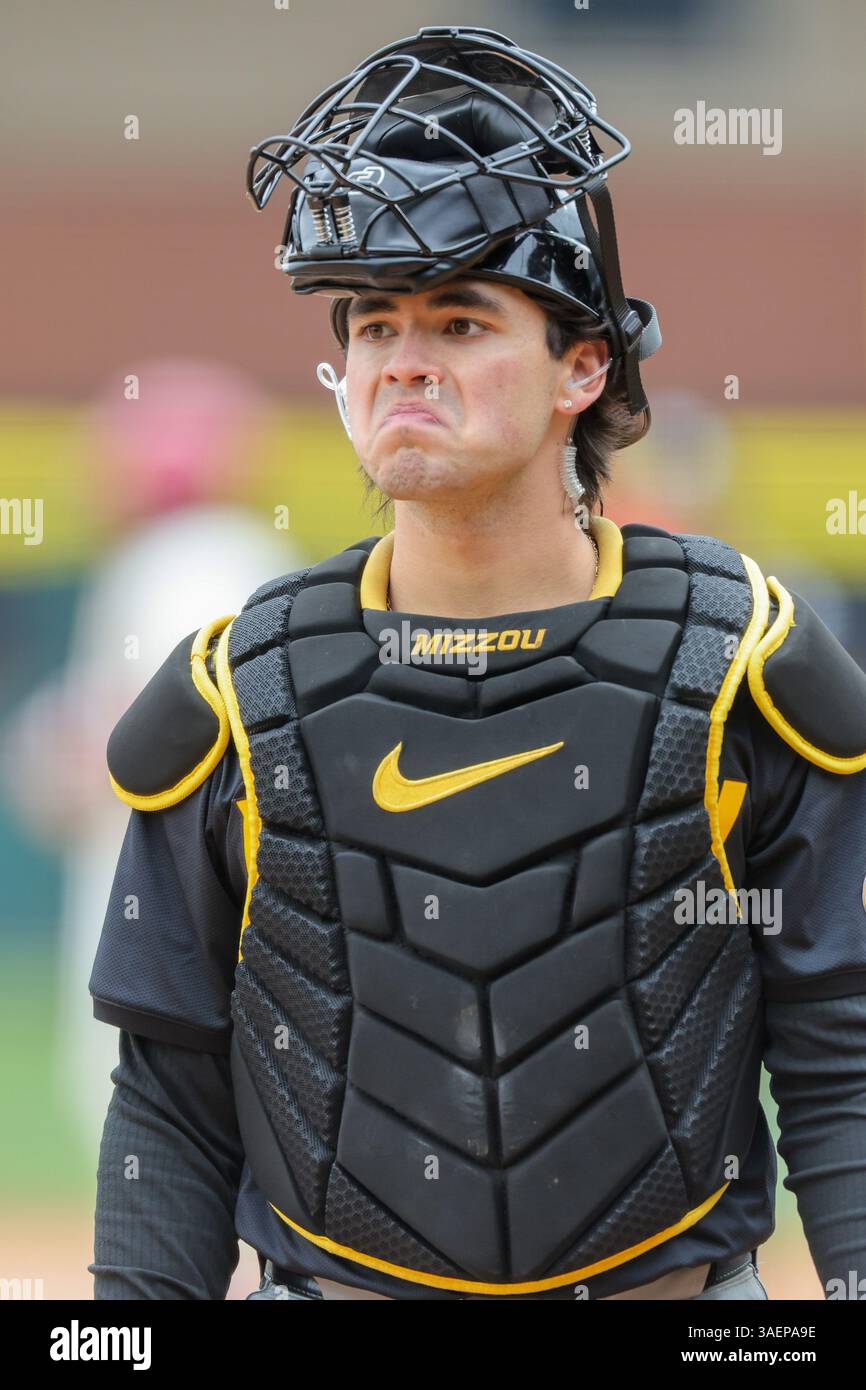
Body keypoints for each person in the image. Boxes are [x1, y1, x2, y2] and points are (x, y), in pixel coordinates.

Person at [89, 26, 866, 1301]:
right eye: (373, 324)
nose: (403, 361)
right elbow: (168, 1092)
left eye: (457, 319)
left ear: (583, 365)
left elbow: (842, 1053)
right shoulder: (246, 687)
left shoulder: (737, 665)